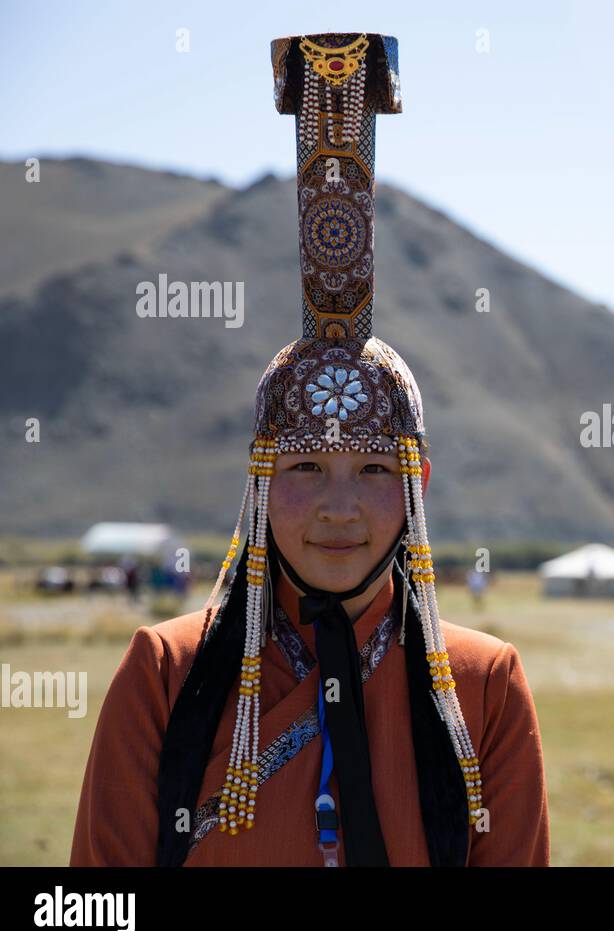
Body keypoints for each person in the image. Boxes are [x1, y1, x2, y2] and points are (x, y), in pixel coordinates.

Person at [70, 31, 548, 867]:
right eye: (303, 469)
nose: (339, 506)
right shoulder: (164, 675)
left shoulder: (483, 688)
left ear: (417, 484)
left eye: (373, 469)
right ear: (258, 482)